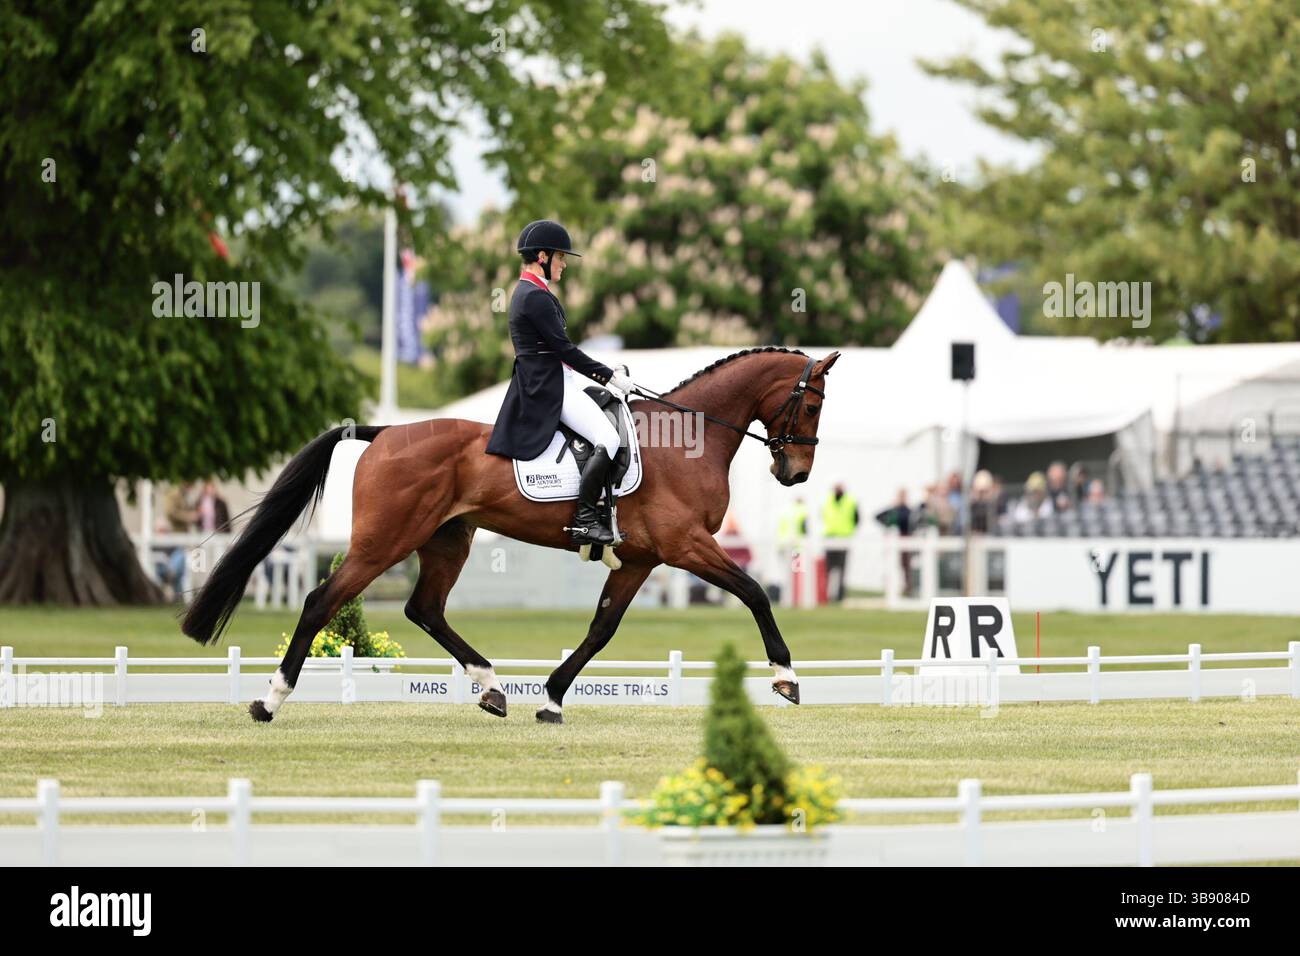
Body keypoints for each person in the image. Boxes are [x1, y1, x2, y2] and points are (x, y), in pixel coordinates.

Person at [485, 220, 640, 545]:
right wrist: (610, 376)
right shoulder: (533, 297)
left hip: (555, 378)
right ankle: (585, 520)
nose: (565, 263)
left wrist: (605, 374)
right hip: (548, 386)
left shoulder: (531, 292)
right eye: (560, 257)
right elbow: (565, 350)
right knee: (609, 438)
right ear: (542, 256)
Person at [821, 481, 859, 602]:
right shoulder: (827, 501)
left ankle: (840, 596)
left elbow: (857, 519)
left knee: (842, 569)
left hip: (843, 539)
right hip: (830, 538)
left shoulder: (850, 501)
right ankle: (825, 596)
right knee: (827, 569)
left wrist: (849, 531)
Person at [874, 487, 914, 594]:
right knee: (891, 565)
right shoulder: (892, 510)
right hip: (892, 541)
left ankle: (907, 588)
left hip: (905, 540)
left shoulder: (908, 510)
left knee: (905, 565)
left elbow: (910, 523)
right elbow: (877, 516)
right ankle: (890, 588)